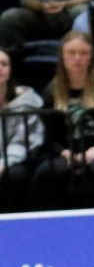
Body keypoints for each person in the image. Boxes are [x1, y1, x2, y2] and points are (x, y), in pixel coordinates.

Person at [34, 30, 94, 208]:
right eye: (71, 53)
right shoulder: (51, 92)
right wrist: (64, 153)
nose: (77, 58)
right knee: (46, 172)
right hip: (65, 152)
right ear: (62, 57)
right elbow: (49, 135)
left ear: (91, 57)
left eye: (83, 53)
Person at [0, 48, 46, 211]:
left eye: (4, 64)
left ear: (10, 69)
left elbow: (22, 142)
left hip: (16, 161)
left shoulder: (26, 103)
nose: (0, 68)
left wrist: (3, 164)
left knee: (15, 176)